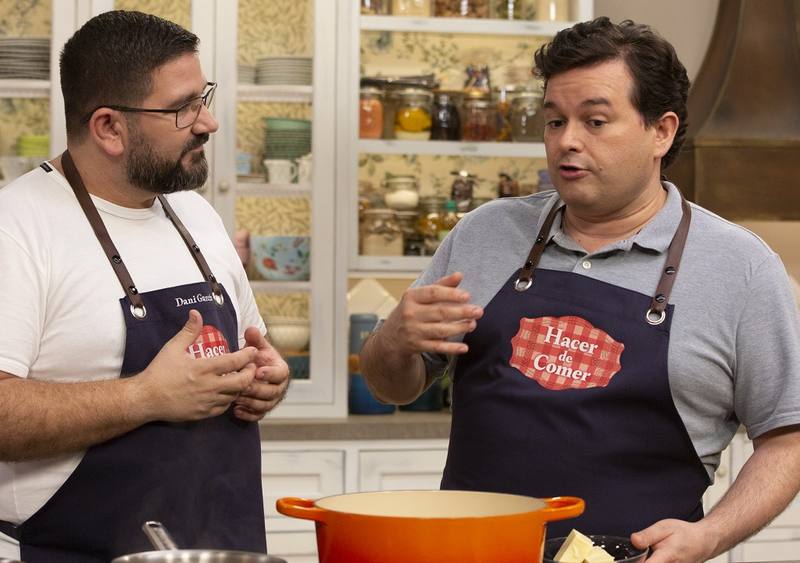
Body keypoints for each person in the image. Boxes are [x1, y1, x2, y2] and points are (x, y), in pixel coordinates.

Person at [360, 17, 800, 563]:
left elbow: (788, 439)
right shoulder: (484, 234)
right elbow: (392, 386)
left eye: (594, 121)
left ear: (661, 131)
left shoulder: (743, 268)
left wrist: (710, 535)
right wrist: (393, 341)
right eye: (554, 121)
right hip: (467, 553)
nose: (567, 141)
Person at [0, 10, 290, 562]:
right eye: (183, 108)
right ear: (109, 127)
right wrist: (146, 396)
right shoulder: (15, 228)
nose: (208, 122)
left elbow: (255, 348)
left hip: (222, 547)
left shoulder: (196, 216)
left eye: (202, 97)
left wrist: (265, 380)